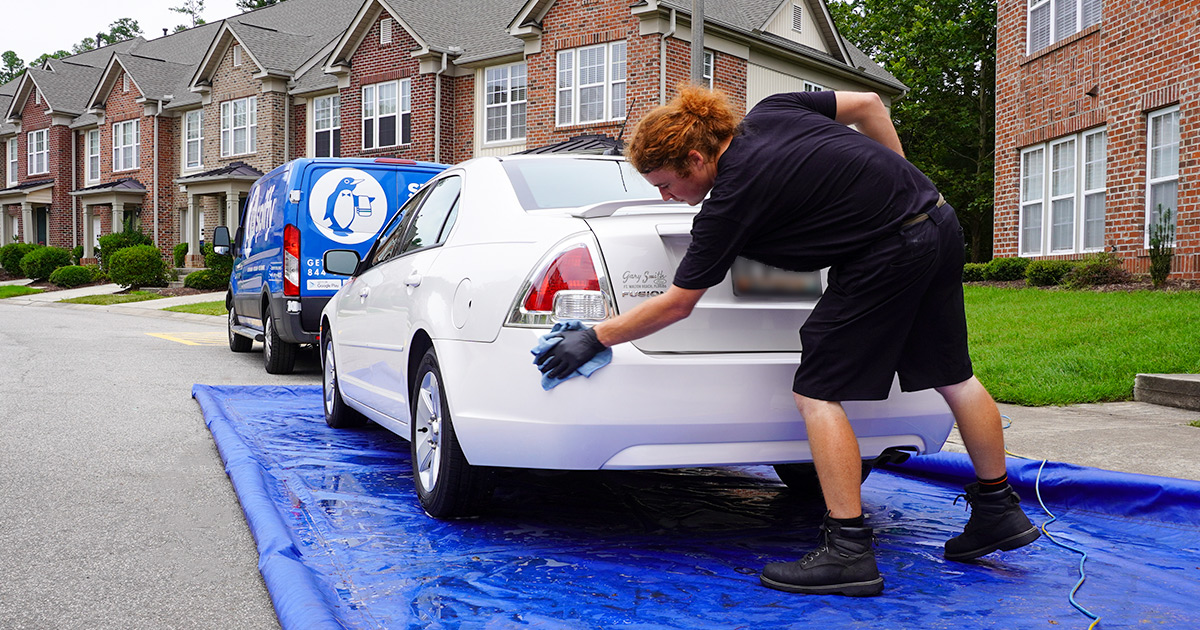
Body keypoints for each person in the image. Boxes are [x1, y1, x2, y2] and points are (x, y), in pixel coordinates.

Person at [534, 85, 1040, 597]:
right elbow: (868, 103)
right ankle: (998, 511)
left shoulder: (729, 202)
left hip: (887, 253)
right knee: (953, 375)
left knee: (816, 391)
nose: (665, 197)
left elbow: (676, 304)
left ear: (695, 157)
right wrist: (903, 181)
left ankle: (848, 552)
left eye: (667, 184)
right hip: (936, 220)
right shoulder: (774, 108)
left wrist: (595, 335)